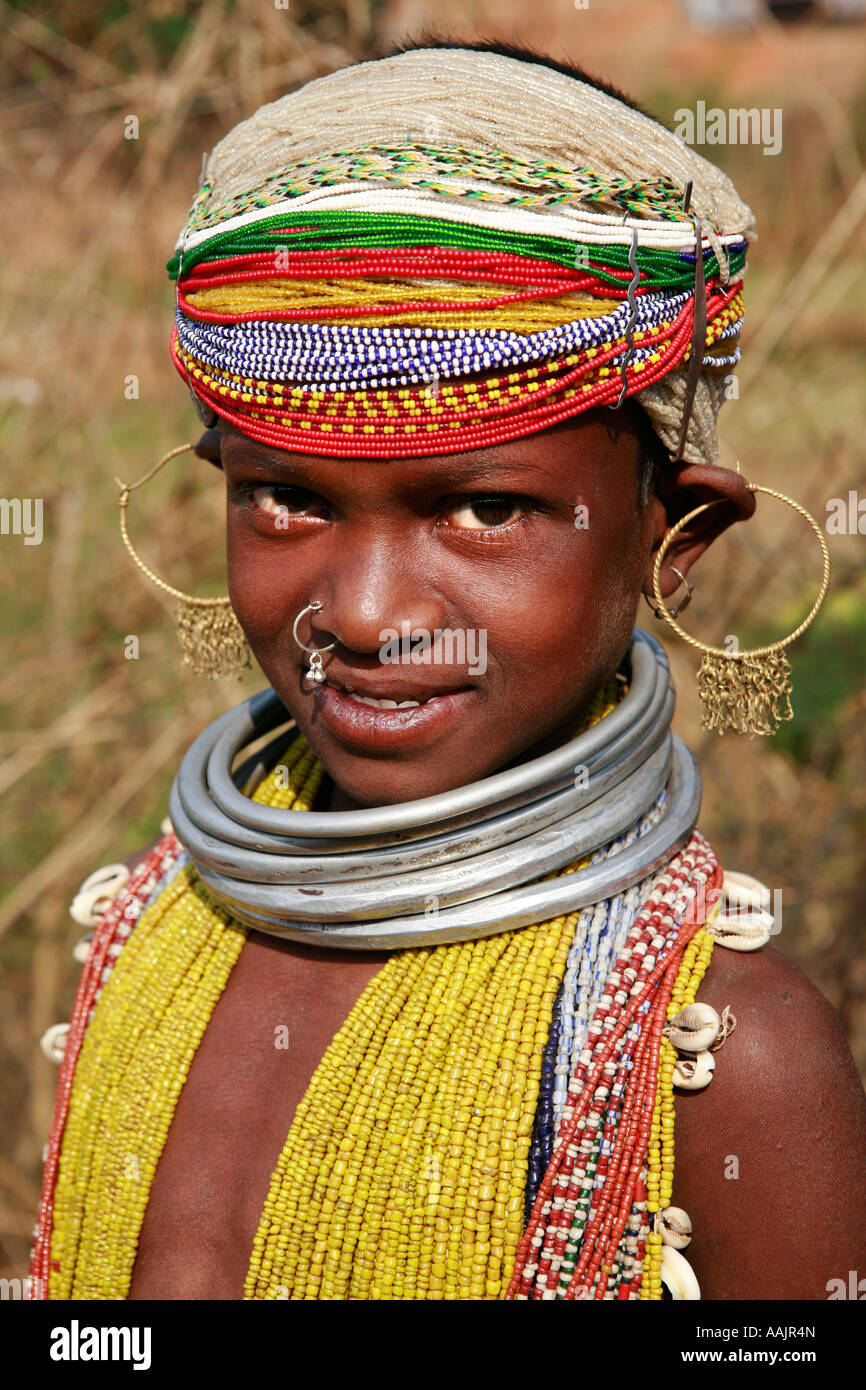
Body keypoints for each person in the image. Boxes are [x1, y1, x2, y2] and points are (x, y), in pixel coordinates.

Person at [30, 38, 866, 1302]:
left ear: (673, 537)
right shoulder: (145, 930)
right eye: (285, 499)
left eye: (481, 511)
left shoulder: (717, 1054)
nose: (363, 616)